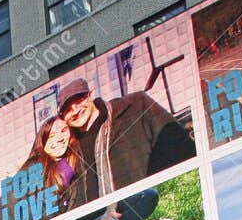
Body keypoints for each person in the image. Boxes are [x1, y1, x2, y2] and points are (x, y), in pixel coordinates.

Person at [56, 77, 195, 198]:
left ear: (89, 95)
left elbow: (178, 144)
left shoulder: (135, 105)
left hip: (149, 199)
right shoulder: (70, 149)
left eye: (79, 99)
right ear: (63, 118)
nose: (75, 110)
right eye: (67, 109)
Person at [18, 116, 91, 213]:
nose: (59, 138)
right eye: (51, 136)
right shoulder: (32, 168)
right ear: (42, 142)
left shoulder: (78, 159)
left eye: (63, 130)